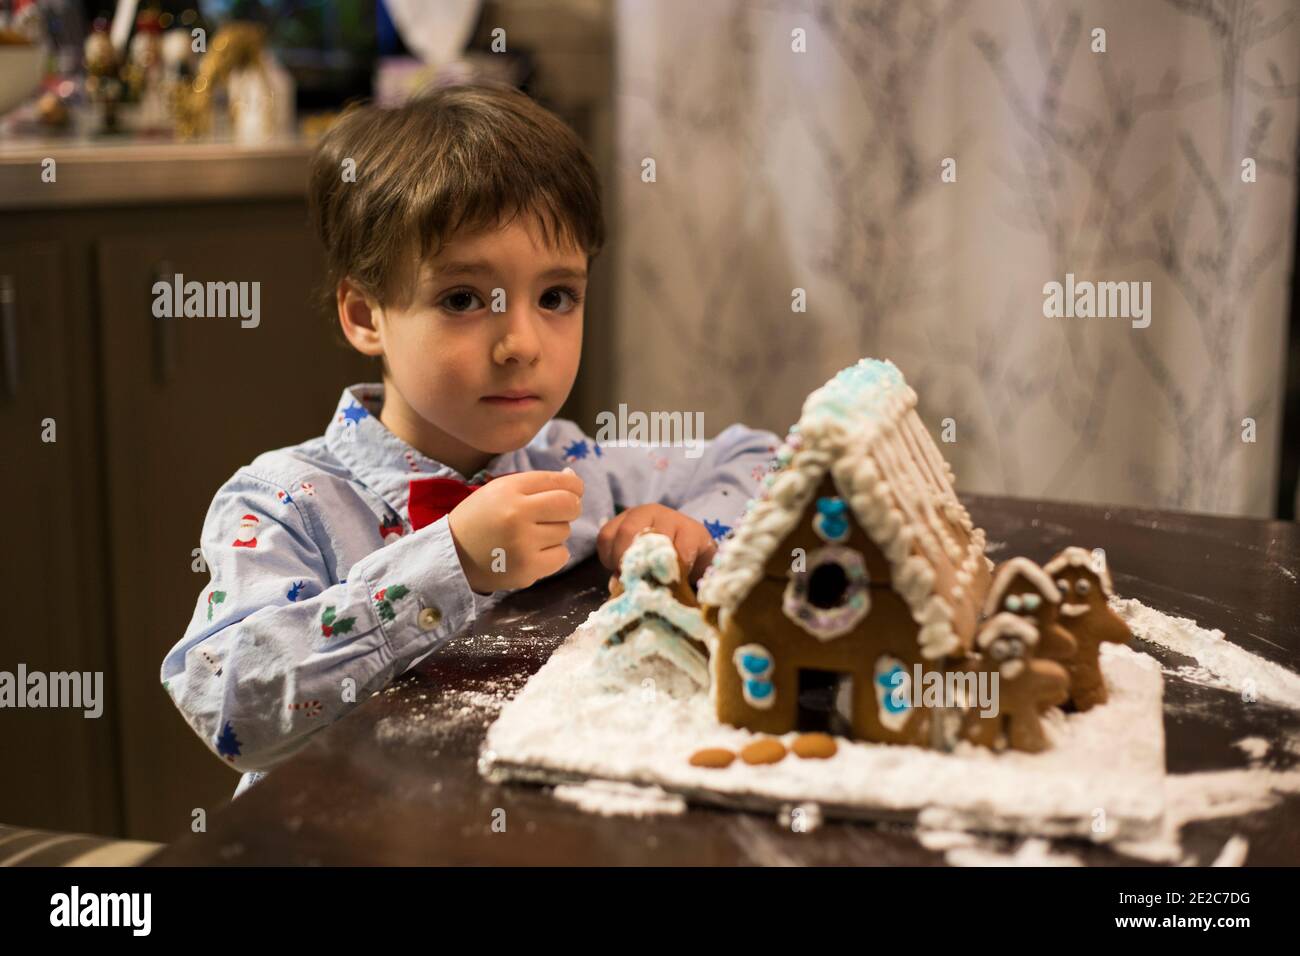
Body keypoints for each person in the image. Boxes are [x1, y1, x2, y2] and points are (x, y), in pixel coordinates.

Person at [159, 84, 779, 798]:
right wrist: (449, 563)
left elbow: (764, 460)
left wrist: (686, 526)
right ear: (365, 315)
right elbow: (227, 701)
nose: (521, 344)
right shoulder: (283, 503)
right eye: (461, 300)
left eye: (556, 297)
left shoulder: (576, 465)